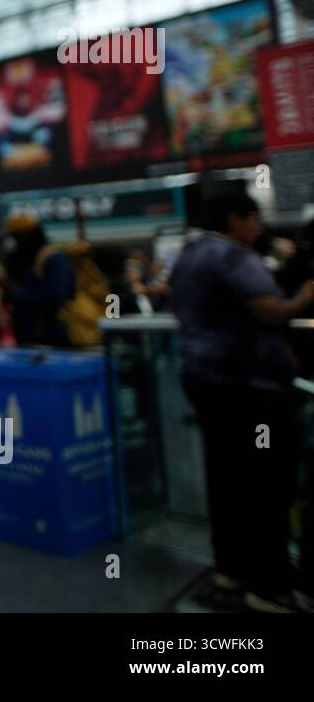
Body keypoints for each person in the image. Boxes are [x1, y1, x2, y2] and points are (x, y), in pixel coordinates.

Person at [169, 192, 314, 613]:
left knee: (227, 477)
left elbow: (180, 311)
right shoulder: (233, 256)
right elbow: (270, 312)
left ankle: (228, 572)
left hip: (204, 379)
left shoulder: (189, 255)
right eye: (254, 219)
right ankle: (268, 585)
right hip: (250, 386)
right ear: (236, 218)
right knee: (268, 481)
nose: (259, 228)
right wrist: (305, 297)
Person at [3, 213, 75, 346]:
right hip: (30, 336)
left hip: (52, 336)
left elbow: (55, 299)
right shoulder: (27, 259)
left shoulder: (53, 258)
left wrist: (17, 294)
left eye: (17, 237)